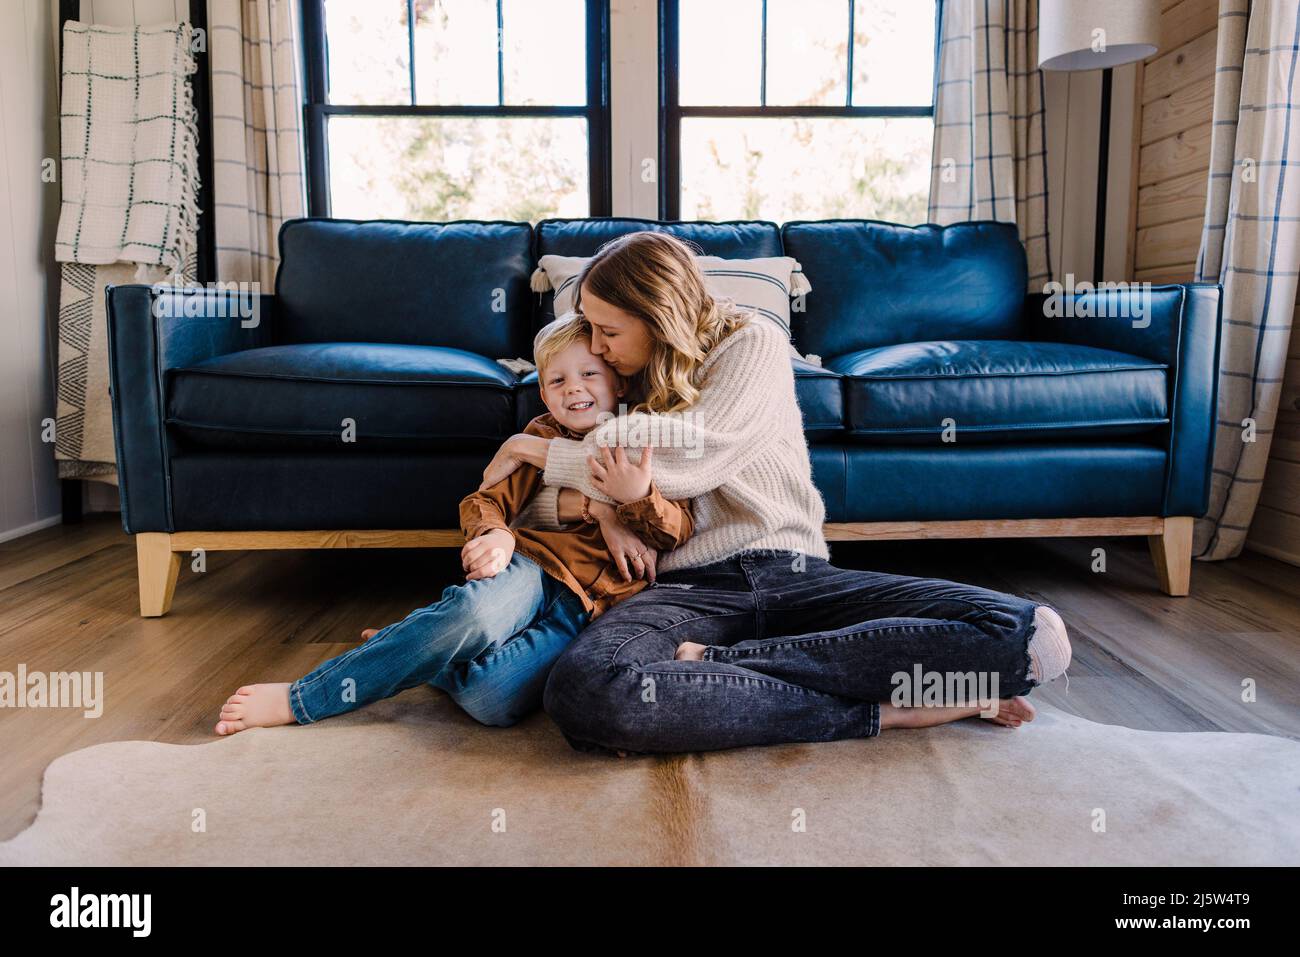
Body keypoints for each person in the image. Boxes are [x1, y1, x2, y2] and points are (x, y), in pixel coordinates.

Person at [476, 231, 1072, 754]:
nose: (598, 348)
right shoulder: (614, 385)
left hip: (791, 571)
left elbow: (696, 452)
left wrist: (538, 449)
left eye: (609, 331)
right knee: (587, 693)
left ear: (657, 317)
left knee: (1032, 637)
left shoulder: (751, 343)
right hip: (684, 590)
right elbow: (530, 502)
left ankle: (728, 669)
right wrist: (600, 501)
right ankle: (887, 710)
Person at [213, 314, 694, 735]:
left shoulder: (642, 438)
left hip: (596, 606)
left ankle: (417, 647)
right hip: (534, 568)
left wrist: (637, 500)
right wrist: (496, 533)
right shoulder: (539, 437)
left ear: (622, 382)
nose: (573, 389)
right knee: (473, 617)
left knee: (493, 699)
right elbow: (483, 499)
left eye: (589, 373)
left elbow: (677, 531)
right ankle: (304, 696)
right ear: (542, 391)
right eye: (556, 381)